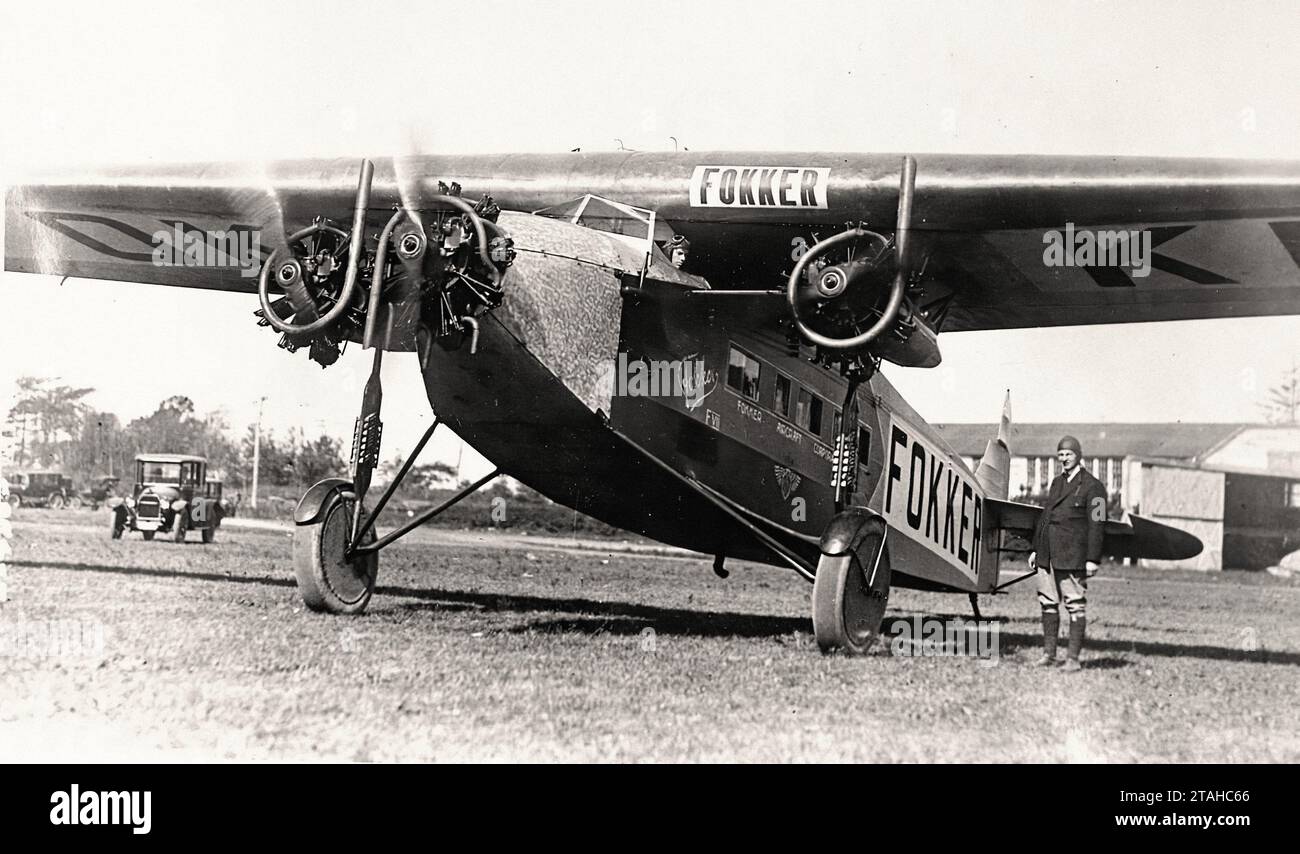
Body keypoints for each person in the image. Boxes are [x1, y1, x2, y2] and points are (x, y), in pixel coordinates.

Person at [1028, 435, 1107, 672]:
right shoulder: (1056, 483)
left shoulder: (1094, 486)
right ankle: (1049, 655)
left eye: (1068, 455)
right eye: (1061, 455)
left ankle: (1072, 659)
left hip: (1073, 556)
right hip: (1048, 554)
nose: (1064, 459)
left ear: (1078, 456)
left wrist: (1093, 558)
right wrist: (1035, 549)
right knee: (1048, 603)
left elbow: (1098, 524)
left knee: (1075, 605)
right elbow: (1045, 517)